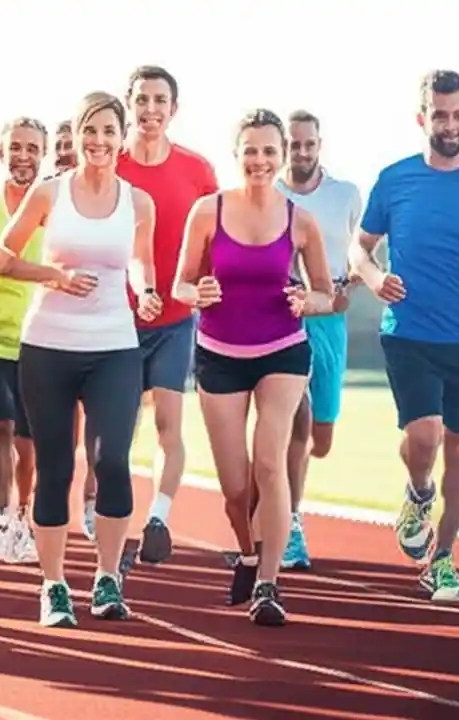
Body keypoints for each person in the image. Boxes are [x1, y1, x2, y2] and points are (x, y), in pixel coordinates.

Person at [0, 92, 159, 626]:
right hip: (48, 345)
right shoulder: (49, 193)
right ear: (78, 134)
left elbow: (139, 263)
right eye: (91, 131)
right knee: (55, 466)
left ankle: (107, 577)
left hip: (113, 346)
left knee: (111, 462)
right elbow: (1, 257)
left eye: (110, 132)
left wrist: (147, 290)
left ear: (123, 136)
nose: (99, 142)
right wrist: (55, 277)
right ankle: (54, 585)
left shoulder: (138, 203)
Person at [174, 109, 334, 626]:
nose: (259, 160)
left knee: (271, 461)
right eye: (250, 150)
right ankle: (246, 550)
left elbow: (327, 295)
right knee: (236, 486)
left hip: (283, 351)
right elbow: (179, 284)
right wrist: (196, 292)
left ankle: (268, 583)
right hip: (219, 355)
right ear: (236, 153)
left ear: (282, 155)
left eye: (269, 151)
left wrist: (304, 300)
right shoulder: (207, 211)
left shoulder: (300, 221)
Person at [349, 69, 459, 603]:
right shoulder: (395, 178)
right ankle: (418, 491)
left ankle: (444, 559)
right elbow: (358, 248)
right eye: (440, 114)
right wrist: (374, 277)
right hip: (410, 332)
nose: (449, 124)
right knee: (425, 435)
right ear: (421, 117)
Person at [114, 65, 219, 566]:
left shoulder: (197, 170)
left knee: (169, 428)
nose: (150, 109)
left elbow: (217, 240)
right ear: (128, 103)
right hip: (114, 321)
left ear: (173, 109)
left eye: (160, 100)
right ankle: (103, 516)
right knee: (111, 434)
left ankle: (157, 517)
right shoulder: (108, 166)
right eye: (142, 99)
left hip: (176, 320)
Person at [275, 109, 362, 571]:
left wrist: (350, 288)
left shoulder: (346, 195)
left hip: (330, 320)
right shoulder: (270, 194)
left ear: (319, 145)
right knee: (295, 420)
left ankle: (278, 500)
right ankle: (287, 522)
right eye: (294, 145)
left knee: (320, 436)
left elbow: (360, 257)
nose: (302, 152)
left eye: (309, 144)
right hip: (282, 317)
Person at [0, 116, 47, 566]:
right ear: (1, 153)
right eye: (15, 147)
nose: (23, 156)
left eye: (32, 148)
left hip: (37, 340)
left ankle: (22, 515)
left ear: (43, 153)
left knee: (29, 441)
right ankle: (1, 515)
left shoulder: (51, 211)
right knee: (1, 425)